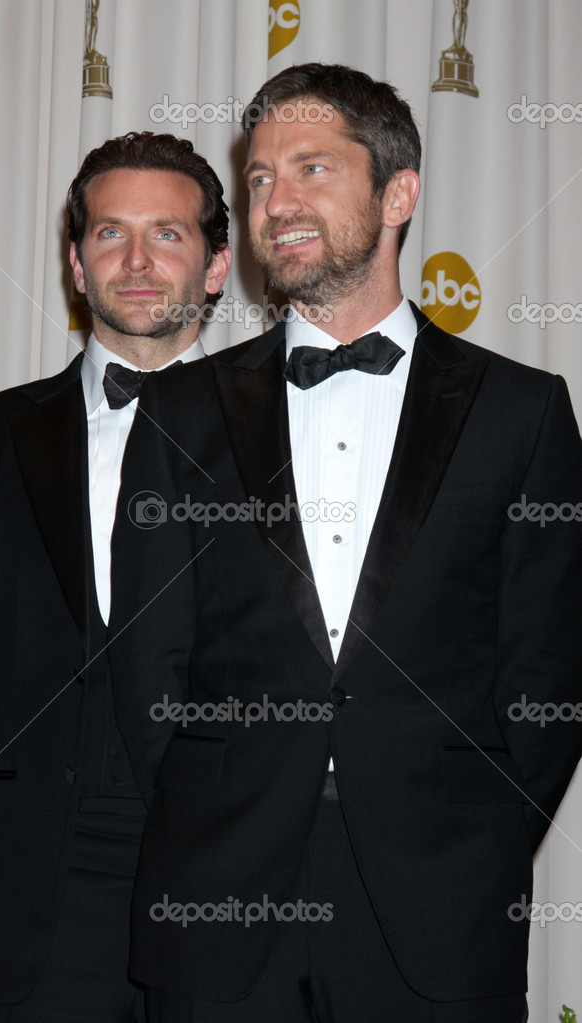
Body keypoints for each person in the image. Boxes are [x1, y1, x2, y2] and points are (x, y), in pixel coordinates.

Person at [108, 64, 582, 1023]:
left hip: (440, 910)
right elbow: (146, 670)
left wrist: (471, 835)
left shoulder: (522, 413)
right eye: (259, 178)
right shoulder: (178, 412)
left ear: (399, 191)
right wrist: (220, 810)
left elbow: (550, 675)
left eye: (312, 168)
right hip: (217, 903)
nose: (275, 201)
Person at [0, 130, 230, 1023]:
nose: (135, 259)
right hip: (31, 900)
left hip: (240, 903)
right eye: (109, 233)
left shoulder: (289, 445)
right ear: (77, 265)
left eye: (167, 234)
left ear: (216, 267)